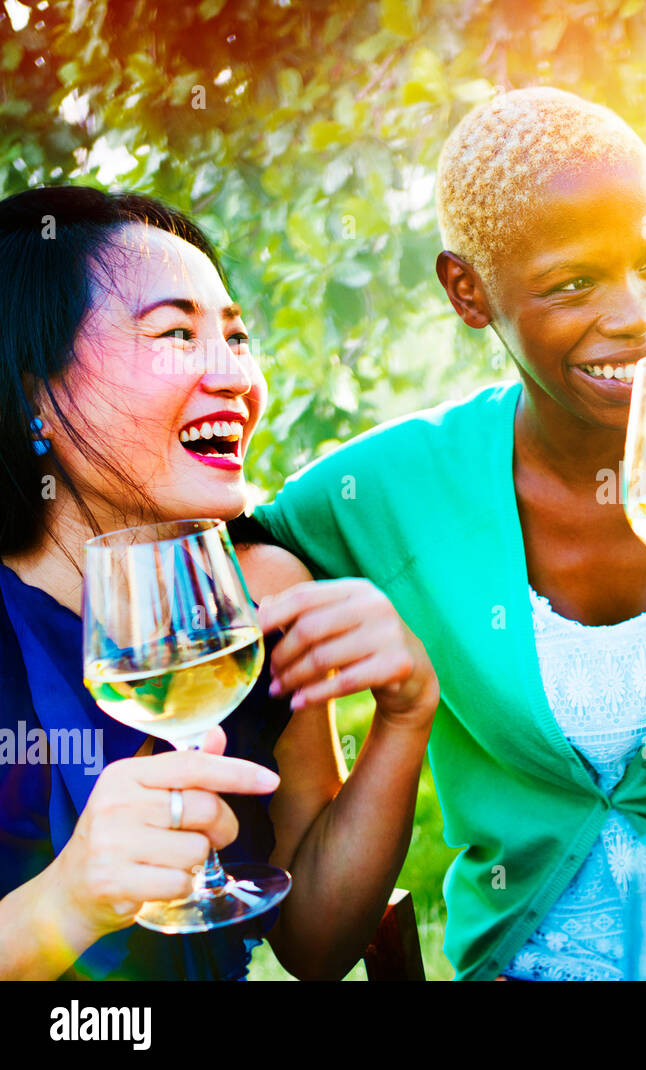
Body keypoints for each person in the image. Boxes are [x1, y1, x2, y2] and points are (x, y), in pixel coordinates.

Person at [245, 87, 646, 979]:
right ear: (468, 291)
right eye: (573, 282)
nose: (635, 315)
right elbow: (236, 537)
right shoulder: (391, 490)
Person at [0, 186, 440, 980]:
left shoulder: (260, 597)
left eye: (237, 337)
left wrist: (404, 719)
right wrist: (63, 903)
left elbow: (315, 944)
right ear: (38, 392)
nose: (235, 374)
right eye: (177, 332)